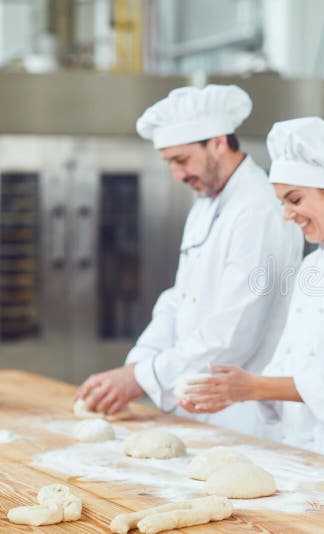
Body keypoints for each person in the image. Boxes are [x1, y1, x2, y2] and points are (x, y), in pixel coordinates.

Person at [179, 117, 324, 457]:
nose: (287, 215)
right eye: (282, 203)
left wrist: (254, 387)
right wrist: (232, 393)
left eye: (295, 199)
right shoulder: (313, 265)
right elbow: (288, 358)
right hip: (295, 448)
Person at [74, 85, 303, 434]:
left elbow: (232, 335)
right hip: (195, 402)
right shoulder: (206, 203)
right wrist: (137, 364)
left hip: (245, 417)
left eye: (181, 160)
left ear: (218, 143)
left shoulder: (260, 209)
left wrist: (142, 378)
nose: (177, 176)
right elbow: (179, 299)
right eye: (169, 163)